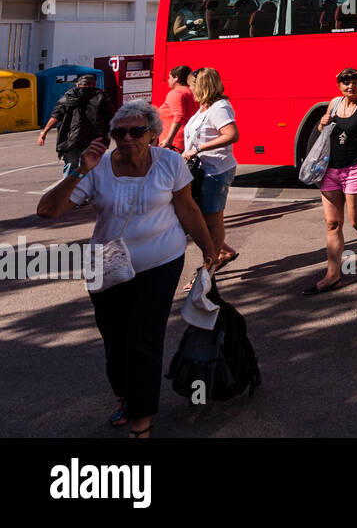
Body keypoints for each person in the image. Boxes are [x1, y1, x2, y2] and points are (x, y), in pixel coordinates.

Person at [37, 101, 218, 438]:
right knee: (115, 341)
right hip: (106, 265)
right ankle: (124, 395)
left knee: (143, 340)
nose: (128, 138)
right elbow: (47, 210)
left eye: (137, 131)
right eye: (120, 132)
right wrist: (80, 169)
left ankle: (141, 419)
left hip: (160, 261)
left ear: (152, 133)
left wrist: (210, 251)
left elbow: (188, 209)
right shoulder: (98, 167)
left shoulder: (170, 163)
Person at [303, 68, 357, 294]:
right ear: (339, 86)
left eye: (354, 82)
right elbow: (323, 131)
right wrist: (322, 122)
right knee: (332, 223)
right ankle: (333, 276)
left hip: (356, 170)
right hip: (330, 171)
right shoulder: (335, 103)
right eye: (345, 83)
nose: (350, 86)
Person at [181, 67, 239, 288]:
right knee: (202, 220)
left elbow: (232, 134)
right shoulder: (204, 108)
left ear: (202, 86)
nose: (190, 89)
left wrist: (198, 149)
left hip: (215, 171)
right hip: (203, 171)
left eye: (192, 85)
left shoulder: (219, 107)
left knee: (212, 221)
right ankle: (222, 253)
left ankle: (208, 269)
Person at [38, 73, 116, 177]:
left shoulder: (67, 97)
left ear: (78, 85)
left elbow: (55, 117)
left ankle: (68, 191)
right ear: (94, 84)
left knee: (70, 170)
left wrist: (44, 132)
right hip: (96, 141)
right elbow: (112, 118)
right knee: (93, 172)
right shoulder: (102, 97)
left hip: (71, 140)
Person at [158, 65, 198, 151]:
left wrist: (169, 139)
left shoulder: (176, 93)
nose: (168, 80)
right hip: (187, 137)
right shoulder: (191, 92)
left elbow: (179, 117)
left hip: (175, 142)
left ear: (176, 78)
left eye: (170, 77)